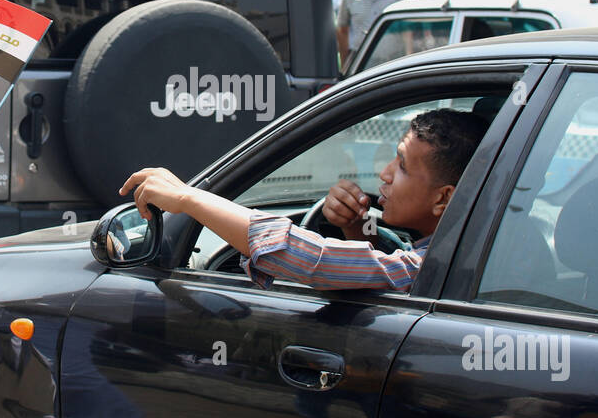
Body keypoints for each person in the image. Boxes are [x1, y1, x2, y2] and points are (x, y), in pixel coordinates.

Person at [121, 108, 489, 292]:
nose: (385, 174)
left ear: (443, 200)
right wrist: (355, 229)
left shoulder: (426, 269)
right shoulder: (474, 250)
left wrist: (189, 198)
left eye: (404, 166)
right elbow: (375, 279)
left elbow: (314, 260)